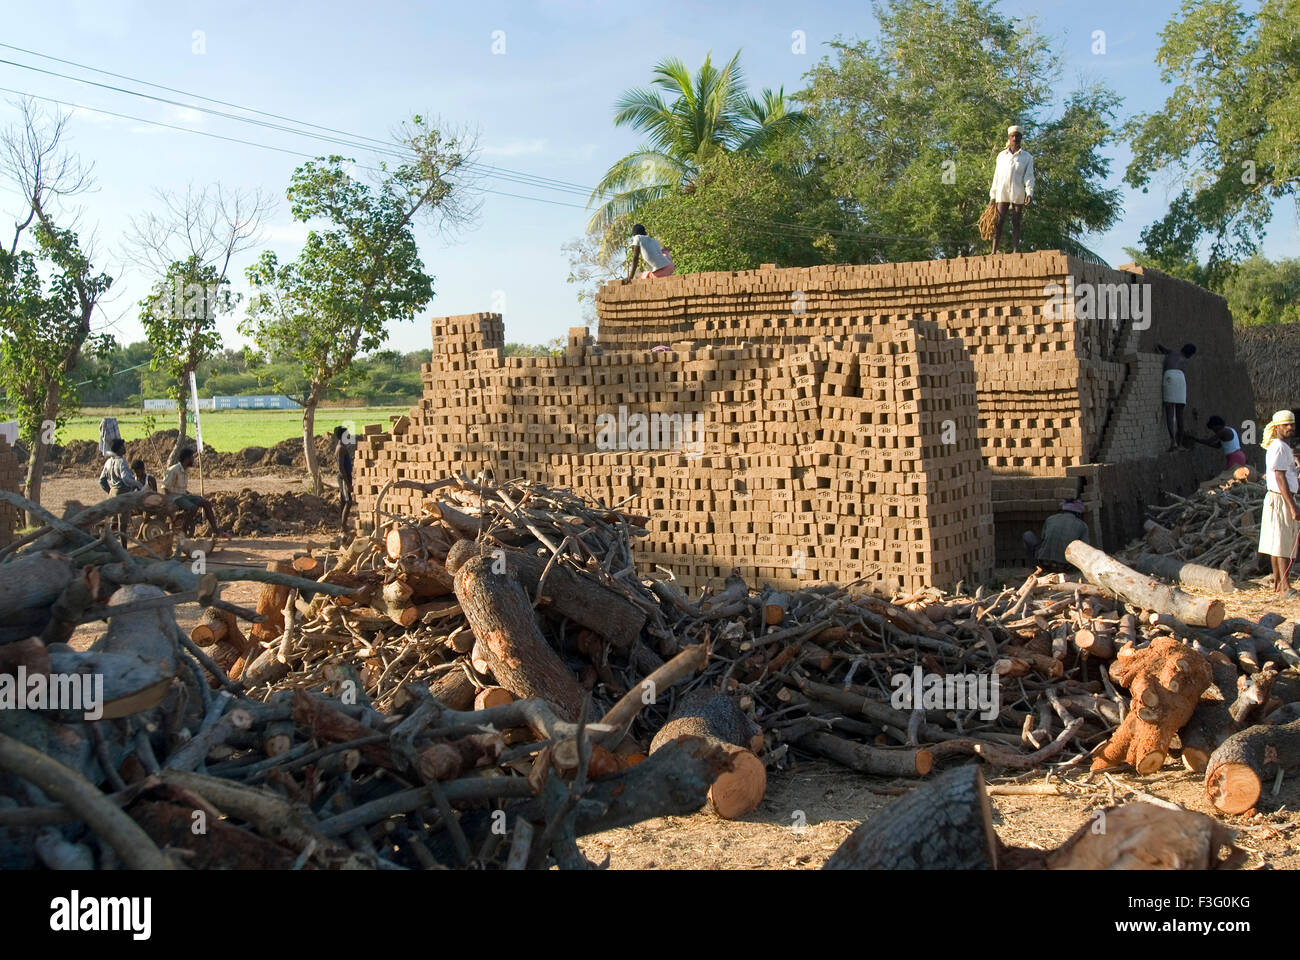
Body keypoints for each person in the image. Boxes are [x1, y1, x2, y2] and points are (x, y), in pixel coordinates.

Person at [1259, 410, 1299, 597]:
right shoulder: (1279, 447)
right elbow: (1279, 476)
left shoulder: (1282, 446)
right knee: (1282, 542)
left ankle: (1278, 584)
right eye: (1285, 425)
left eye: (1291, 424)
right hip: (1280, 498)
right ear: (1277, 427)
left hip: (1278, 497)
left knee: (1276, 542)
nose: (1290, 427)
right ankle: (1285, 587)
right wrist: (1292, 505)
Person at [164, 447, 229, 539]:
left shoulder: (184, 470)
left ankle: (216, 531)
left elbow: (181, 488)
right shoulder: (173, 470)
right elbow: (165, 487)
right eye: (192, 458)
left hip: (183, 495)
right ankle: (183, 531)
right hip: (175, 498)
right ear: (187, 459)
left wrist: (190, 495)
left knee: (206, 503)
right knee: (193, 508)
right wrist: (168, 501)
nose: (193, 460)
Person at [989, 125, 1034, 254]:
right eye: (1012, 136)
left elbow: (1029, 177)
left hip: (1017, 192)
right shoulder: (1001, 156)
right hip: (1002, 192)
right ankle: (994, 250)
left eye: (1017, 136)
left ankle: (1015, 250)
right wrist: (992, 196)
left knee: (1016, 222)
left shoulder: (1027, 157)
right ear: (1009, 138)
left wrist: (1029, 193)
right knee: (998, 221)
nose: (1015, 138)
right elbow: (996, 177)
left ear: (1021, 138)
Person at [1023, 499, 1090, 572]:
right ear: (1078, 513)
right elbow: (1085, 549)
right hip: (1066, 567)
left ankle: (1034, 567)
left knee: (1028, 535)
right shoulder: (1082, 525)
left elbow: (1043, 538)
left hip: (1044, 564)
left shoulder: (1050, 519)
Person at [1157, 343, 1196, 449]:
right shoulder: (1185, 361)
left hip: (1170, 377)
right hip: (1181, 379)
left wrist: (1158, 345)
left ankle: (1173, 441)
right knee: (1180, 415)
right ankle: (1180, 443)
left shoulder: (1173, 352)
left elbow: (1161, 348)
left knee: (1170, 413)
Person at [333, 425, 356, 530]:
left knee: (343, 500)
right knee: (348, 501)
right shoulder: (341, 449)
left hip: (344, 476)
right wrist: (348, 483)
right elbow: (341, 467)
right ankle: (343, 525)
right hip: (343, 477)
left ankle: (343, 525)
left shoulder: (340, 447)